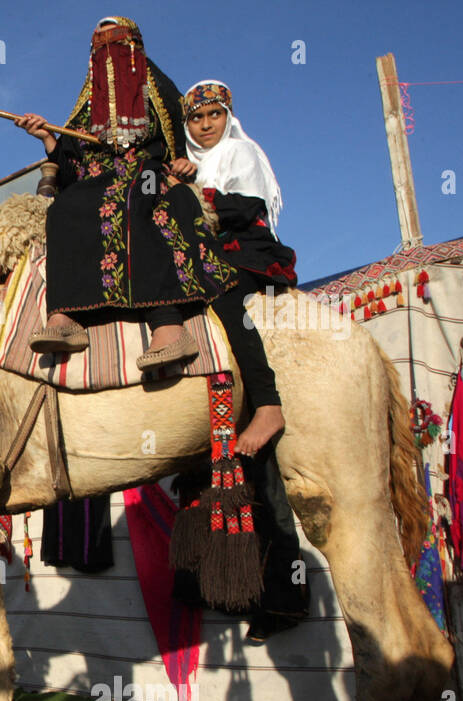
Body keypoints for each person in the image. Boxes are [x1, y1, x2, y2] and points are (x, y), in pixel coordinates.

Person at [16, 17, 237, 370]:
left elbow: (183, 147)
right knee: (65, 207)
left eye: (118, 48)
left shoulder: (161, 92)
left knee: (141, 201)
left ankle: (168, 323)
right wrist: (47, 138)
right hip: (97, 179)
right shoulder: (88, 104)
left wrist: (181, 163)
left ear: (135, 51)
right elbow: (71, 163)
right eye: (101, 51)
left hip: (147, 172)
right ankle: (67, 317)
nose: (110, 60)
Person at [183, 79, 296, 456]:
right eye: (197, 117)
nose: (206, 124)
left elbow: (248, 208)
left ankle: (267, 403)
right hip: (209, 251)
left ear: (228, 116)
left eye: (215, 114)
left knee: (224, 295)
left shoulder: (239, 151)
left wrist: (192, 192)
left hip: (245, 247)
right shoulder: (188, 161)